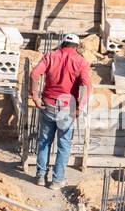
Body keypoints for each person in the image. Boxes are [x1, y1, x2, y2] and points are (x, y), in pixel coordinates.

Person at [28, 33, 92, 187]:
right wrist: (80, 107)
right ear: (76, 47)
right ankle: (57, 181)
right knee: (64, 144)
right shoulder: (81, 62)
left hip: (48, 105)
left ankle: (40, 176)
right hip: (67, 108)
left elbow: (34, 74)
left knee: (44, 141)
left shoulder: (50, 56)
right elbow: (86, 85)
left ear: (63, 44)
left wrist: (35, 97)